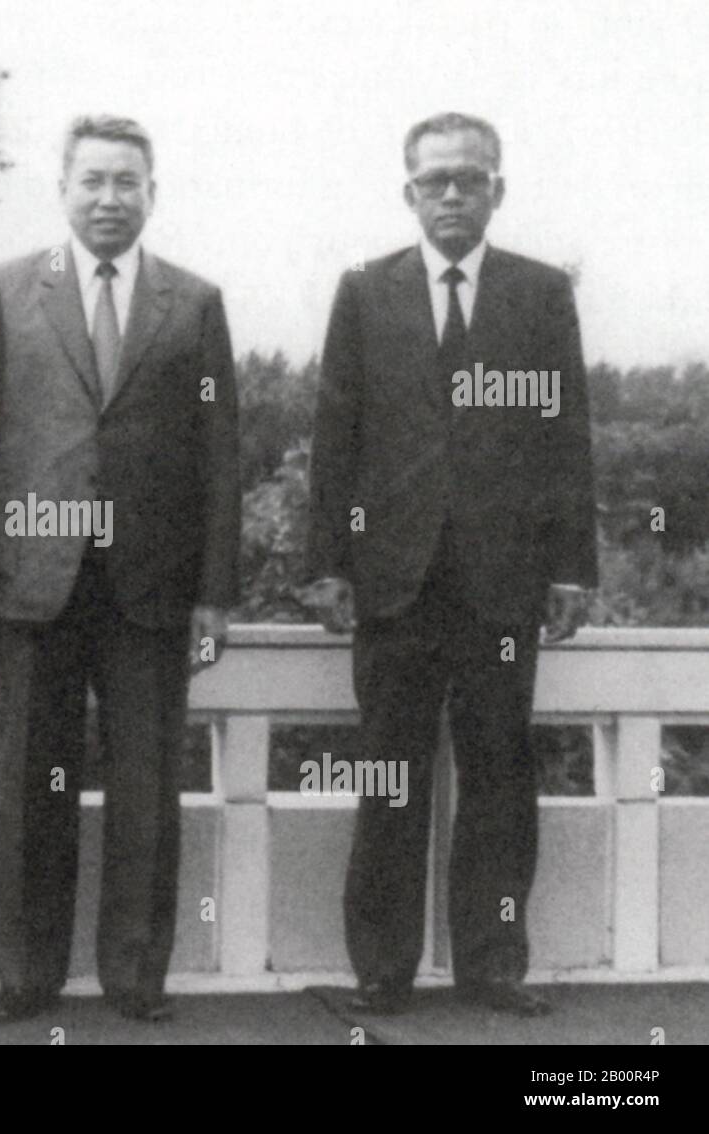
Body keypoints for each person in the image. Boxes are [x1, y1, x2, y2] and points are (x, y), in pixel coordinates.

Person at [0, 114, 240, 1023]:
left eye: (127, 182)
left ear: (154, 192)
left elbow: (220, 456)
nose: (109, 198)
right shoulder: (5, 288)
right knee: (34, 784)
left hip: (151, 588)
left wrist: (214, 592)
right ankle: (27, 975)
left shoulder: (193, 303)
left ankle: (137, 976)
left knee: (148, 792)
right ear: (62, 188)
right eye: (93, 181)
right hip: (34, 577)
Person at [305, 112, 598, 1017]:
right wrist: (329, 563)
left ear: (497, 190)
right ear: (409, 192)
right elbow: (336, 435)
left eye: (470, 178)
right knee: (389, 778)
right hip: (393, 582)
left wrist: (572, 568)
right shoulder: (364, 291)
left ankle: (492, 965)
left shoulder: (540, 294)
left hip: (501, 582)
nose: (452, 194)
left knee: (502, 778)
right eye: (435, 180)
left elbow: (566, 435)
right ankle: (383, 971)